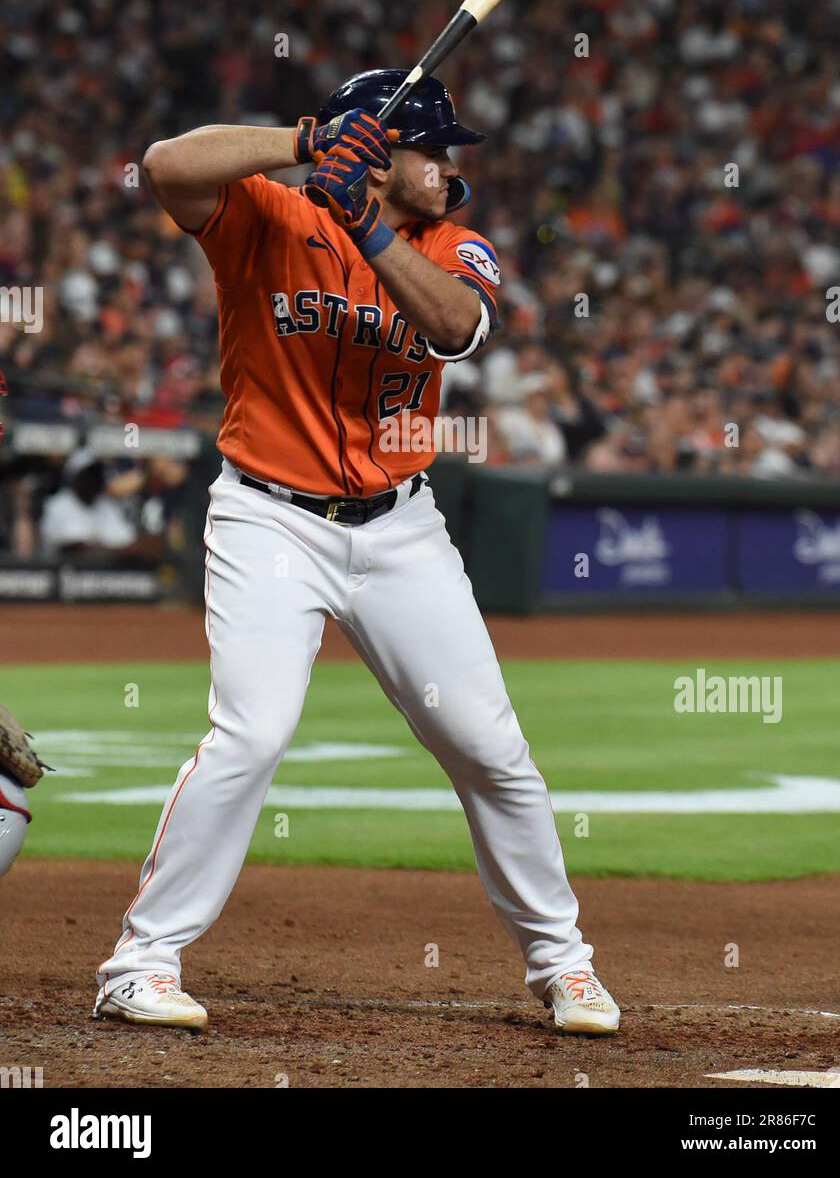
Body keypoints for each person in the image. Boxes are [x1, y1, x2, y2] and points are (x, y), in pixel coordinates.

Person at [93, 70, 619, 1037]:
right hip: (268, 517)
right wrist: (307, 140)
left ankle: (565, 965)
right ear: (383, 153)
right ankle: (141, 962)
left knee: (491, 749)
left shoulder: (452, 244)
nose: (448, 167)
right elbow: (166, 164)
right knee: (251, 734)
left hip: (399, 525)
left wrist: (366, 225)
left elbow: (456, 326)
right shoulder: (268, 216)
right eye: (432, 150)